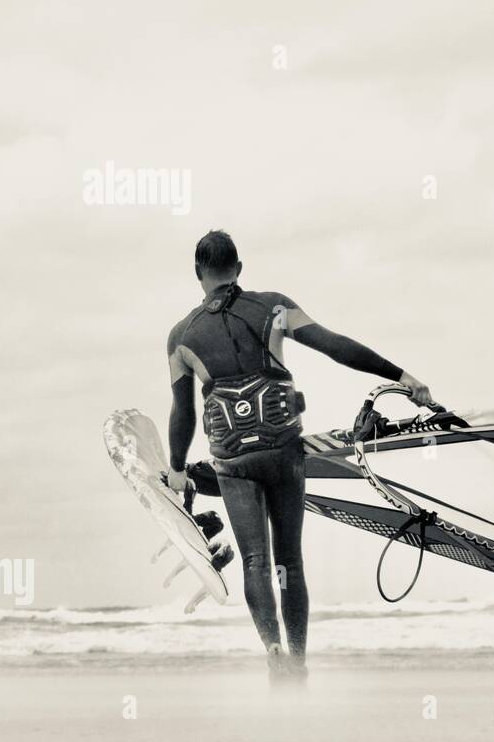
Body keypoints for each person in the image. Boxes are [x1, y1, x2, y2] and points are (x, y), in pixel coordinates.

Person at [165, 230, 431, 682]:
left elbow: (184, 412)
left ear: (197, 273)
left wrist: (176, 469)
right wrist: (402, 376)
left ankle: (273, 650)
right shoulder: (273, 307)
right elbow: (335, 346)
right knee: (288, 561)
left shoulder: (181, 337)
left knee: (255, 561)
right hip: (282, 454)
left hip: (234, 462)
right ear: (239, 268)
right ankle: (299, 660)